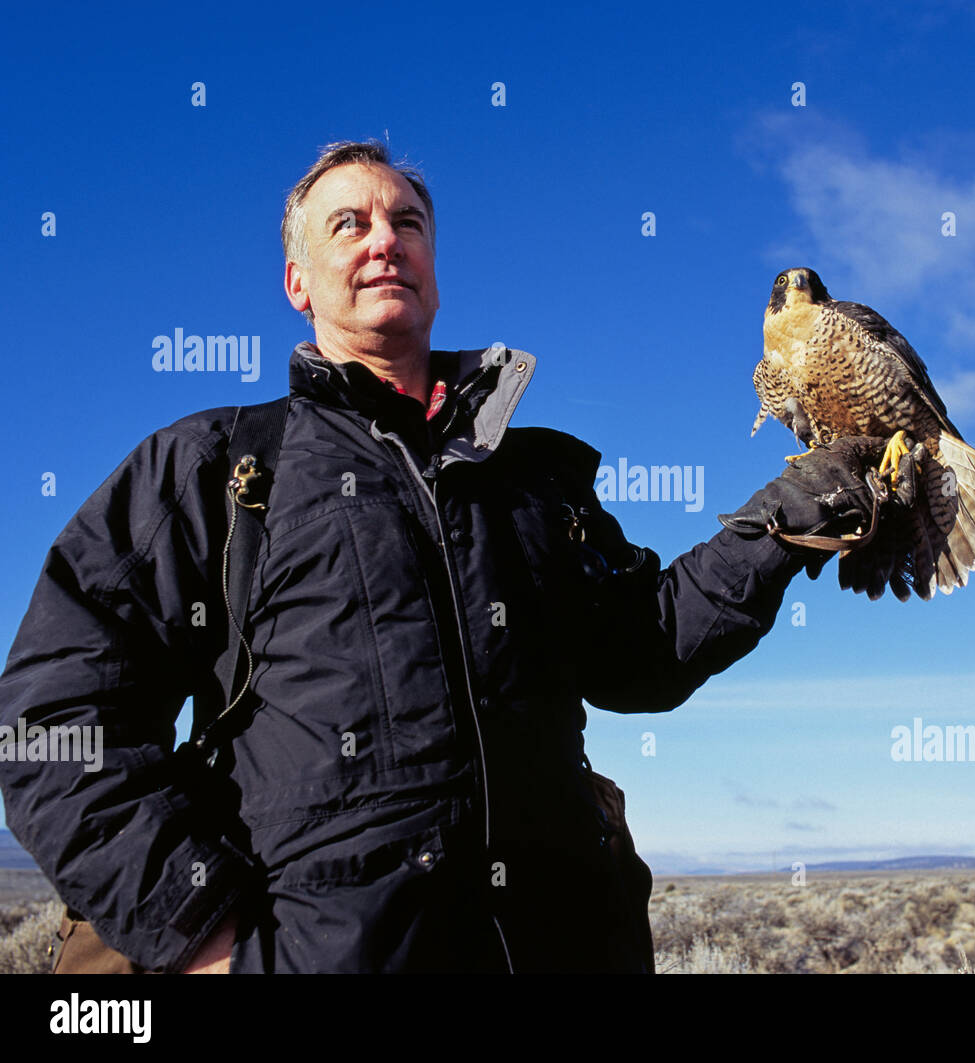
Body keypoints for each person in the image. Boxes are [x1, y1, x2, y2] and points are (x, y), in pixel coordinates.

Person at [0, 140, 893, 973]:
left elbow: (642, 651)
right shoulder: (219, 468)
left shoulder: (533, 478)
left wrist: (778, 526)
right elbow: (51, 719)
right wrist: (206, 936)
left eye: (408, 223)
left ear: (434, 269)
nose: (384, 241)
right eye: (348, 225)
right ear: (297, 282)